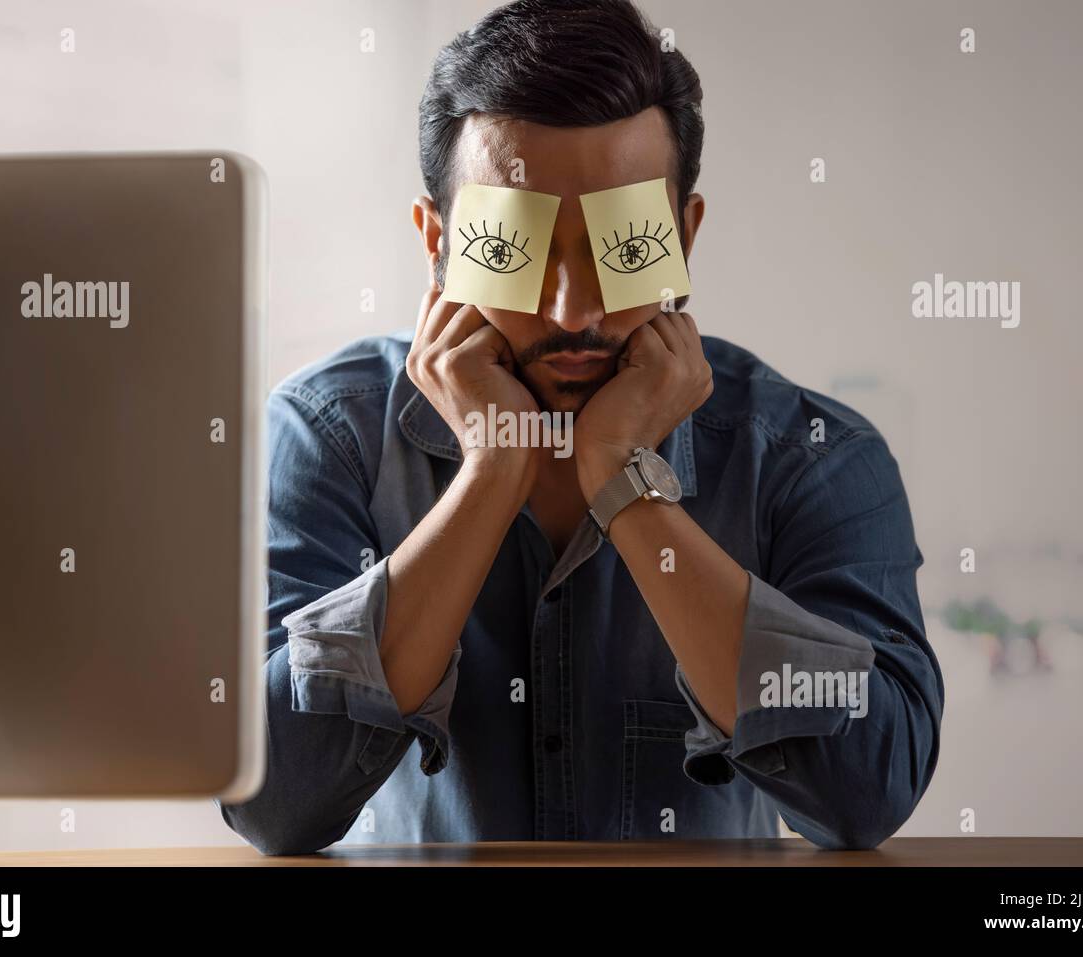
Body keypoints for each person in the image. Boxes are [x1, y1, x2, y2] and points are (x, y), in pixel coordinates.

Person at [219, 0, 943, 853]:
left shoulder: (810, 456)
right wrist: (493, 473)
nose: (574, 308)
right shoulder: (323, 437)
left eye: (624, 244)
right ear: (436, 242)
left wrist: (625, 483)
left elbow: (867, 792)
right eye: (513, 247)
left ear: (684, 234)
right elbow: (272, 801)